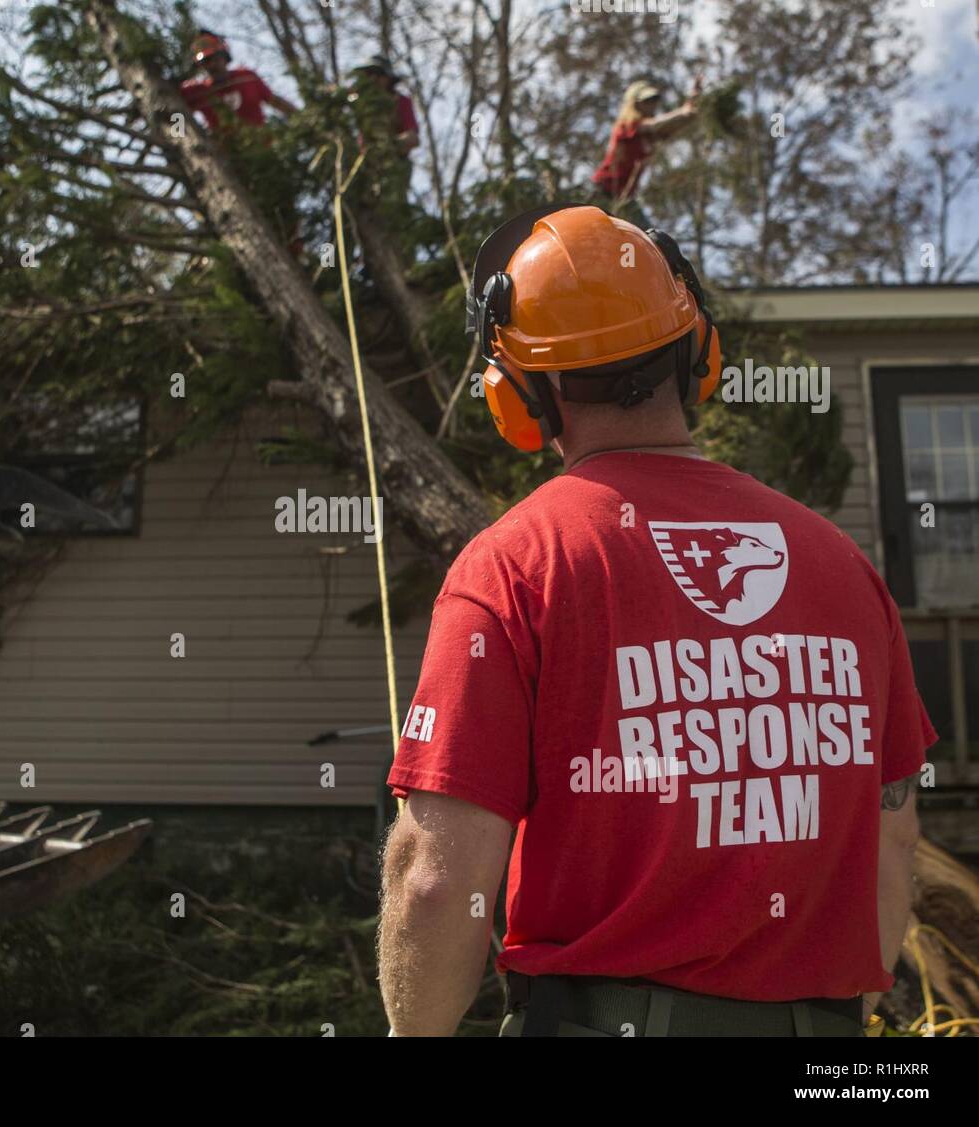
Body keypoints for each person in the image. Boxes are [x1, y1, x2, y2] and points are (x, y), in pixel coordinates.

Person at [377, 204, 934, 1037]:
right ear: (696, 352)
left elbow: (434, 879)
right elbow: (894, 846)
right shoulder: (846, 569)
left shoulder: (514, 567)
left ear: (523, 392)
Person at [589, 78, 701, 229]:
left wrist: (693, 100)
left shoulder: (649, 136)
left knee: (648, 238)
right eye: (647, 101)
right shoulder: (626, 126)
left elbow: (676, 124)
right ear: (634, 104)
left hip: (626, 197)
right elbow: (656, 124)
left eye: (654, 100)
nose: (652, 105)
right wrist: (682, 112)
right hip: (603, 192)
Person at [178, 30, 296, 133]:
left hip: (264, 150)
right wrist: (179, 139)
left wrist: (302, 118)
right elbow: (173, 113)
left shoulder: (246, 78)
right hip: (225, 156)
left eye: (215, 58)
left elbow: (276, 102)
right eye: (206, 62)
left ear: (225, 57)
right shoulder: (195, 92)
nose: (212, 65)